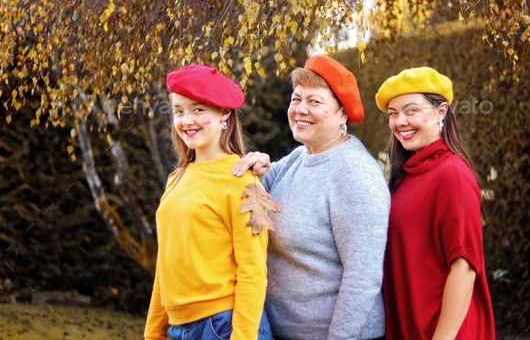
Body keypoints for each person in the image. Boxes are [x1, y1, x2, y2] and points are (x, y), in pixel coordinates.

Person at [233, 55, 390, 340]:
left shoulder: (355, 174)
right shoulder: (301, 157)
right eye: (296, 99)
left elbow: (363, 277)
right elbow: (255, 188)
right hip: (281, 330)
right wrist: (257, 166)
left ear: (343, 113)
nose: (300, 110)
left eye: (315, 102)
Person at [144, 64, 273, 340]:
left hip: (224, 327)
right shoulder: (176, 179)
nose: (186, 120)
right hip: (179, 328)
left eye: (198, 109)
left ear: (224, 114)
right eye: (179, 110)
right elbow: (166, 264)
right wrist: (153, 331)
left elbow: (253, 271)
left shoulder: (242, 180)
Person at [374, 67, 495, 340]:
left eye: (411, 110)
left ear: (441, 112)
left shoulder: (452, 174)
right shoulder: (408, 174)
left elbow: (464, 266)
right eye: (393, 114)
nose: (399, 121)